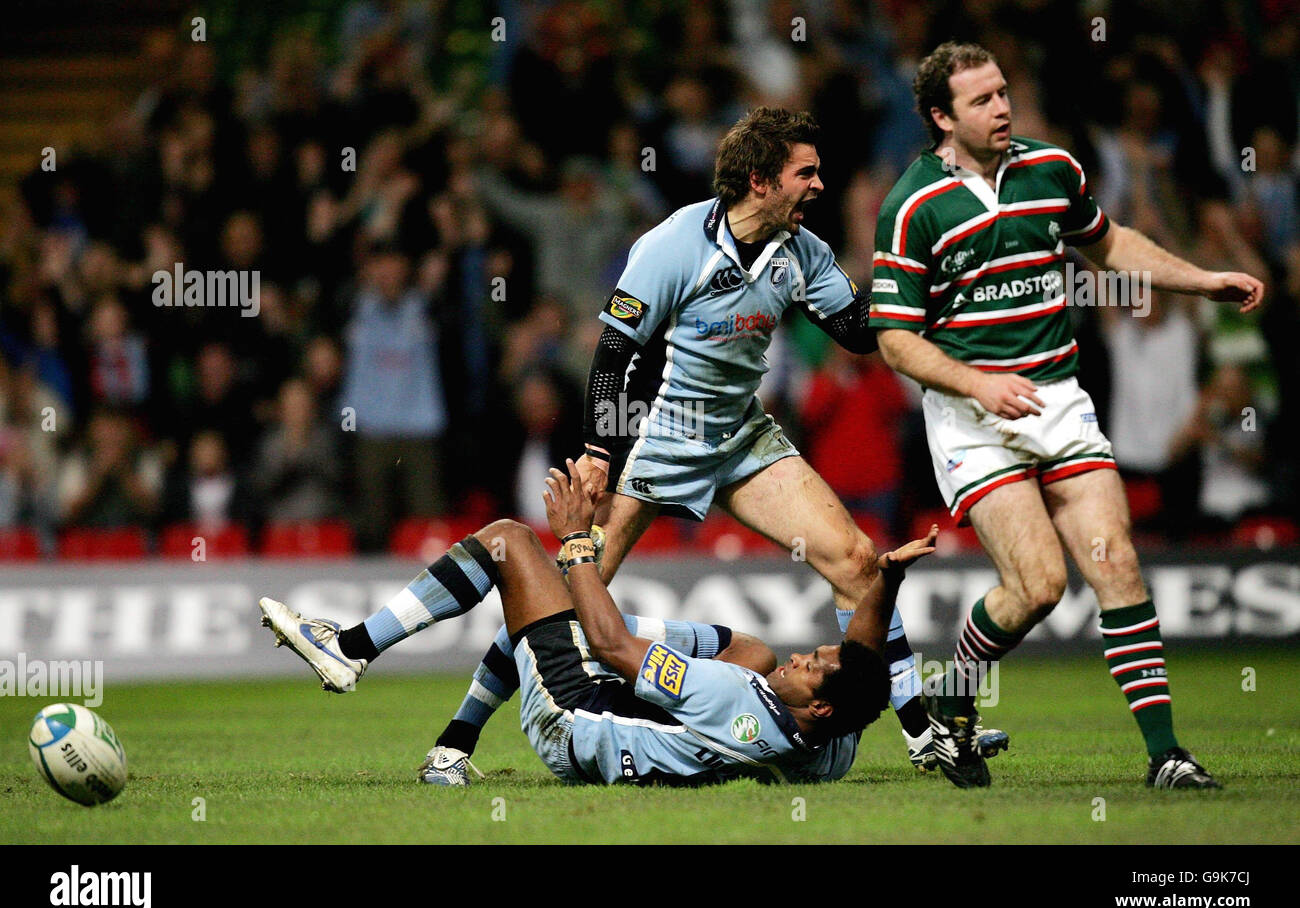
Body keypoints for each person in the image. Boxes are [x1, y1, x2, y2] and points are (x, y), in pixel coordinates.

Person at [420, 107, 1007, 781]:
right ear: (760, 180)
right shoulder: (674, 243)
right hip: (667, 432)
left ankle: (920, 731)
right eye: (805, 172)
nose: (819, 184)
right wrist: (601, 451)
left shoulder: (801, 250)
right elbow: (614, 355)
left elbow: (855, 330)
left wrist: (921, 285)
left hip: (742, 434)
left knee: (857, 561)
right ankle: (455, 740)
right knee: (566, 591)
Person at [869, 42, 1265, 789]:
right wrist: (979, 385)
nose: (1002, 107)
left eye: (1003, 92)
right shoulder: (911, 206)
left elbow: (1109, 244)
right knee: (1040, 586)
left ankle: (1165, 755)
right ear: (939, 117)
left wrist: (1199, 279)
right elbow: (894, 337)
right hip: (972, 418)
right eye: (982, 100)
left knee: (1115, 560)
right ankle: (956, 693)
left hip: (1058, 398)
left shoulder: (1051, 169)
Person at [260, 461, 942, 786]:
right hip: (616, 730)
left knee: (509, 544)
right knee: (743, 644)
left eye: (812, 665)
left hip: (572, 715)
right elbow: (859, 662)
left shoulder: (731, 697)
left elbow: (615, 648)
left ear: (820, 701)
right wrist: (887, 579)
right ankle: (450, 750)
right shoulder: (832, 746)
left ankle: (349, 647)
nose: (803, 655)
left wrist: (578, 539)